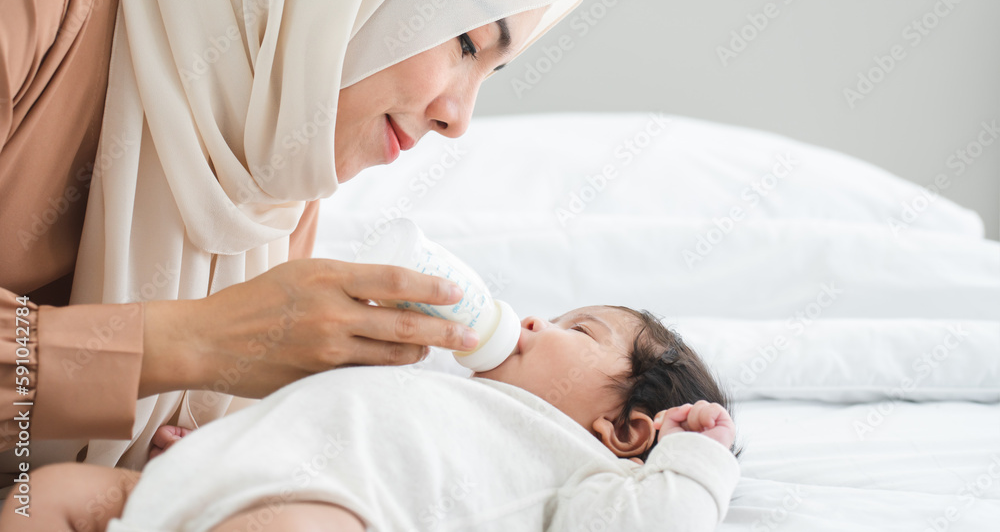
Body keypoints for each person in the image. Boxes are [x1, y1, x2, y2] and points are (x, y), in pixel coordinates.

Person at [0, 0, 582, 485]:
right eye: (465, 43)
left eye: (491, 74)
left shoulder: (277, 176)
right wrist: (195, 341)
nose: (458, 119)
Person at [0, 305, 744, 531]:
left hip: (340, 516)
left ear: (624, 429)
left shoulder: (590, 474)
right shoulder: (433, 383)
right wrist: (217, 454)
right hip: (216, 491)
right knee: (56, 489)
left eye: (577, 331)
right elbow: (322, 423)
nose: (531, 321)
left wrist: (700, 454)